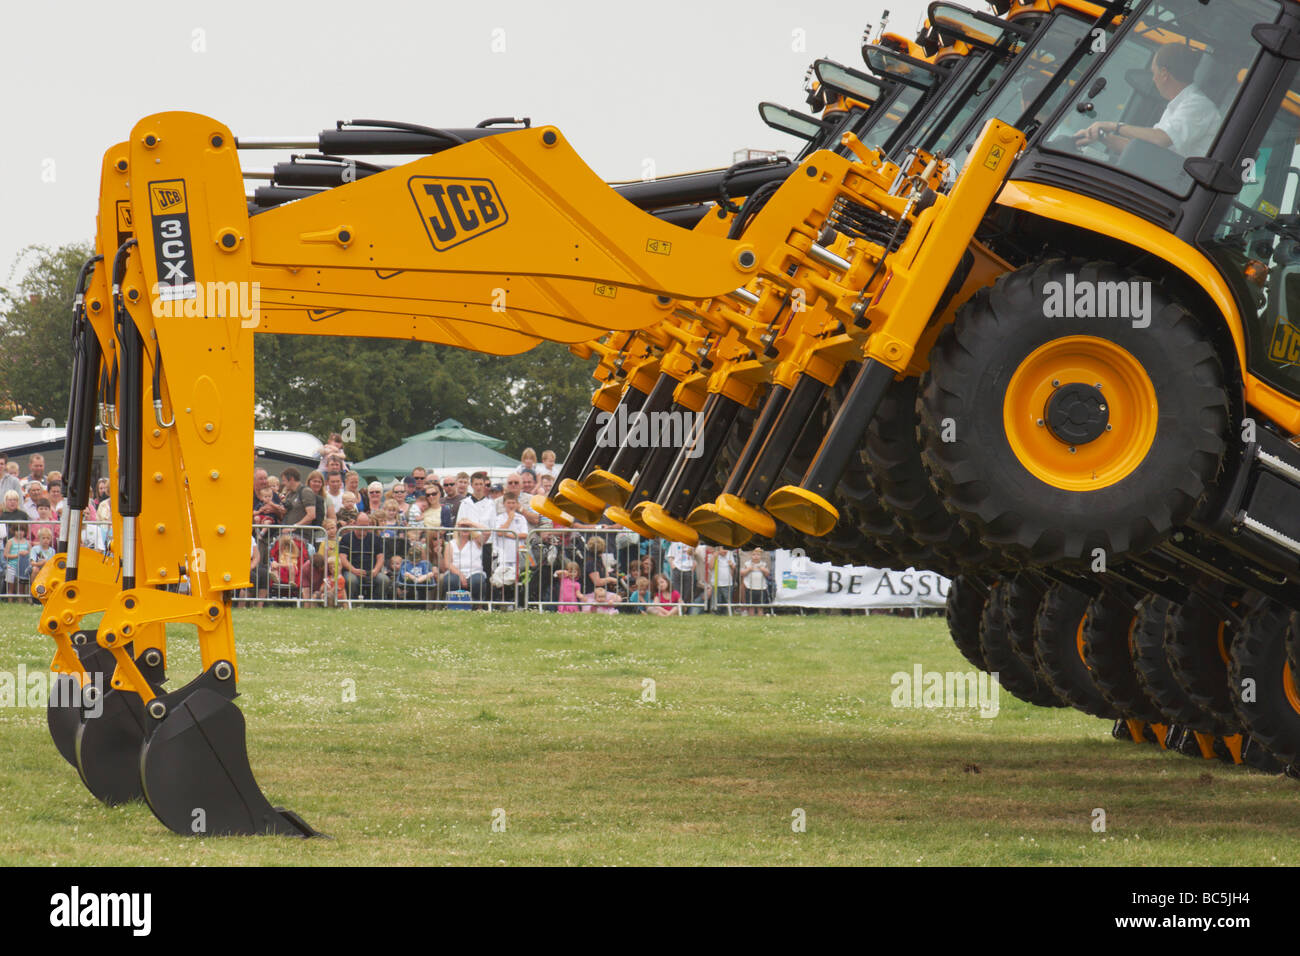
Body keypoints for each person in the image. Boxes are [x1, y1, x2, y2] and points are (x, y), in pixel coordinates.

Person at [1074, 44, 1220, 157]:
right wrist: (1101, 136)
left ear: (1164, 74)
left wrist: (1114, 126)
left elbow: (1161, 139)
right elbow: (1142, 148)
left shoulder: (1198, 105)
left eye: (1153, 72)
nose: (1153, 79)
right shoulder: (1177, 106)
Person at [338, 513, 390, 601]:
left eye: (366, 526)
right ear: (355, 524)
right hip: (352, 571)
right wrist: (353, 570)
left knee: (384, 580)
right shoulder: (346, 538)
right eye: (361, 525)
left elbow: (381, 557)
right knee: (351, 580)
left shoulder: (376, 538)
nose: (363, 528)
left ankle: (376, 604)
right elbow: (342, 558)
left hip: (371, 571)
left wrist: (376, 570)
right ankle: (353, 603)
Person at [441, 521, 486, 606]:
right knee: (451, 580)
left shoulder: (477, 541)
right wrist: (460, 575)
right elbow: (447, 563)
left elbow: (487, 532)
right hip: (455, 572)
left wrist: (472, 524)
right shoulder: (451, 544)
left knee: (477, 581)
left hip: (475, 572)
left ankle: (477, 606)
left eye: (467, 527)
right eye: (462, 526)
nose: (465, 528)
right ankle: (452, 605)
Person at [280, 468, 318, 534]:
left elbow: (311, 515)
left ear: (291, 479)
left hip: (301, 536)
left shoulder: (305, 492)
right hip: (288, 535)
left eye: (284, 480)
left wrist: (295, 526)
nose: (283, 483)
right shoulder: (290, 494)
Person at [740, 548, 771, 616]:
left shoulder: (763, 564)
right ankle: (751, 617)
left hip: (761, 588)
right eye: (754, 554)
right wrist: (748, 569)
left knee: (760, 606)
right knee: (751, 606)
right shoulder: (747, 564)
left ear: (761, 556)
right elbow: (742, 573)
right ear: (750, 555)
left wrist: (763, 570)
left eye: (758, 555)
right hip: (750, 588)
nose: (756, 556)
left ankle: (760, 616)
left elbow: (767, 574)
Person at [4, 523, 31, 595]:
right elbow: (5, 555)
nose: (20, 532)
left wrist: (26, 553)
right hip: (12, 566)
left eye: (22, 530)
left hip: (22, 568)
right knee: (10, 587)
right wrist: (17, 555)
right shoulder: (10, 541)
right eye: (17, 530)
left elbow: (31, 555)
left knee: (21, 588)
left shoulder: (27, 543)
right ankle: (9, 601)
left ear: (25, 532)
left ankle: (21, 601)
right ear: (13, 531)